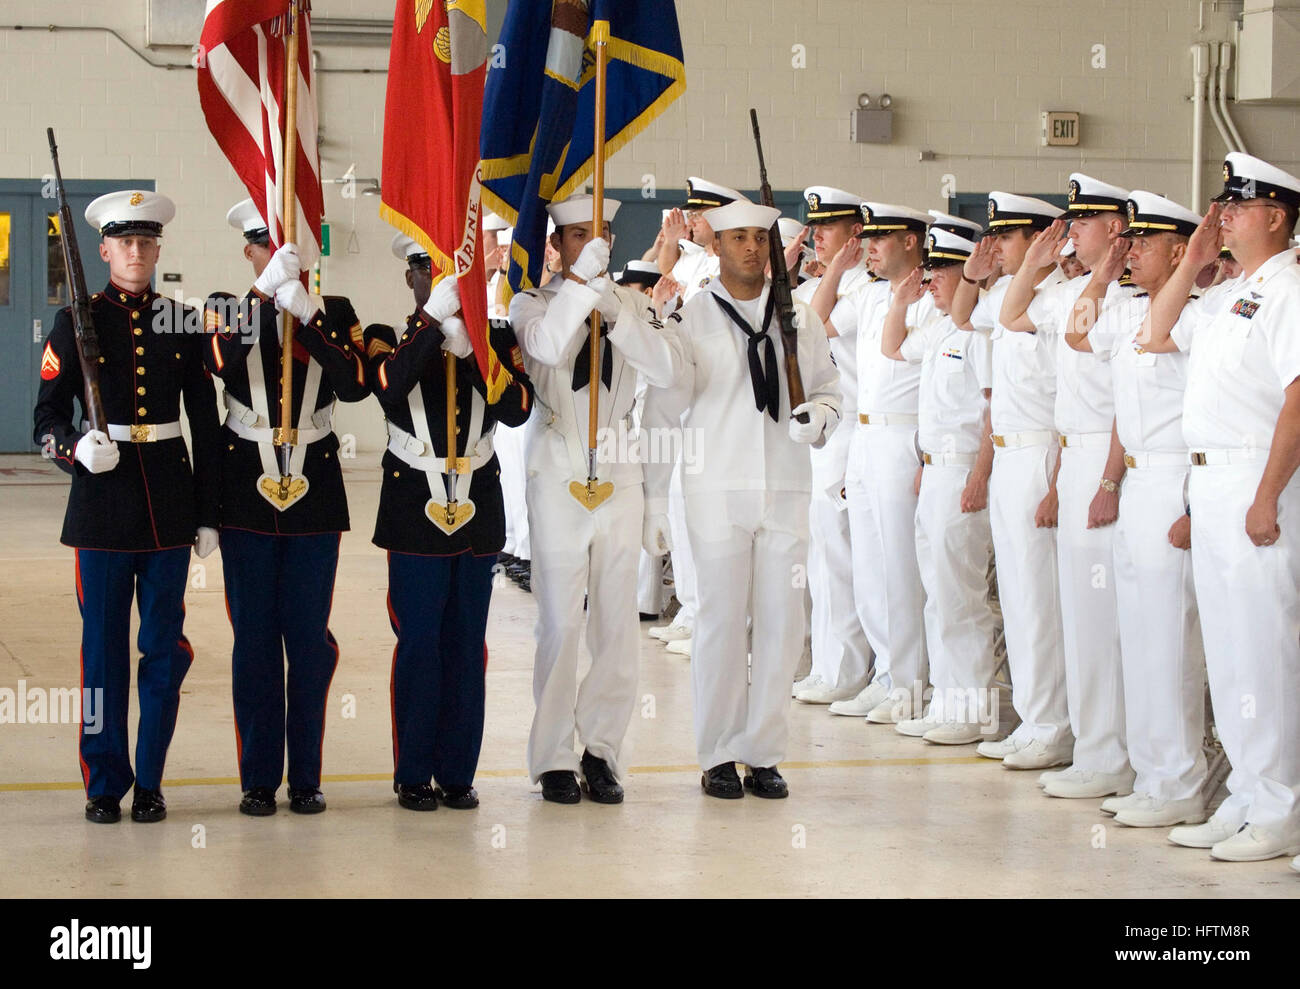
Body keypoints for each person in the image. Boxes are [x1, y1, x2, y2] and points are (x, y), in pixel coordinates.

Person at [642, 197, 841, 799]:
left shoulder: (800, 317)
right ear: (718, 247)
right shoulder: (691, 318)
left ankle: (765, 752)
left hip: (784, 485)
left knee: (783, 624)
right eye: (739, 239)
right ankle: (719, 753)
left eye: (760, 237)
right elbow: (662, 412)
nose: (752, 247)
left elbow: (830, 388)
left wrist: (822, 418)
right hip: (716, 487)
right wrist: (653, 502)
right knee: (721, 624)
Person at [34, 189, 220, 824]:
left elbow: (204, 418)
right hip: (102, 509)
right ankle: (104, 781)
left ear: (157, 249)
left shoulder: (182, 320)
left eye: (147, 242)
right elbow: (46, 418)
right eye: (124, 243)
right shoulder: (75, 321)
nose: (136, 252)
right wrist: (74, 448)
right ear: (105, 250)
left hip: (167, 502)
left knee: (162, 650)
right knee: (103, 652)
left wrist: (207, 511)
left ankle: (151, 780)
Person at [1137, 152, 1300, 864]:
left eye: (1238, 206)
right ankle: (1247, 794)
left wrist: (1266, 495)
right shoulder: (1230, 294)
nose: (1224, 215)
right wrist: (1196, 255)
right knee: (1232, 656)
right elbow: (1156, 330)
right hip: (1212, 483)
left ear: (1276, 215)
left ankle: (1281, 805)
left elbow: (1299, 395)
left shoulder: (1290, 289)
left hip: (1260, 480)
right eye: (1222, 205)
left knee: (1267, 653)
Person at [510, 194, 680, 804]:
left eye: (599, 232)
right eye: (576, 233)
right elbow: (549, 349)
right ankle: (554, 755)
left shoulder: (631, 303)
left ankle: (603, 750)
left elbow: (666, 373)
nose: (591, 242)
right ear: (556, 244)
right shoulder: (530, 302)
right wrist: (581, 289)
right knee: (560, 620)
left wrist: (621, 313)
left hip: (620, 465)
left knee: (617, 622)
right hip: (557, 467)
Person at [203, 199, 370, 816]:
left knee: (307, 642)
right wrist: (262, 296)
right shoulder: (226, 305)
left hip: (314, 494)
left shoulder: (337, 310)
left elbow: (355, 383)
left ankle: (305, 777)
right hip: (246, 490)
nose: (274, 255)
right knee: (252, 642)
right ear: (249, 253)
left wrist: (310, 314)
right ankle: (256, 779)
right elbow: (216, 362)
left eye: (284, 248)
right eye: (260, 247)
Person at [364, 234, 534, 812]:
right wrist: (434, 323)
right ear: (409, 278)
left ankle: (457, 771)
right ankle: (413, 771)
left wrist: (476, 355)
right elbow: (387, 392)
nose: (433, 280)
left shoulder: (497, 337)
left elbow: (518, 410)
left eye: (445, 272)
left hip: (478, 508)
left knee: (466, 645)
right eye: (423, 270)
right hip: (414, 506)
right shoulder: (387, 337)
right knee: (419, 644)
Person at [1061, 190, 1208, 826]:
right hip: (1139, 482)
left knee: (1171, 642)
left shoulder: (1190, 315)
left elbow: (1195, 401)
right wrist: (1111, 481)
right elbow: (1079, 333)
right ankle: (1151, 773)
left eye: (1145, 242)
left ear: (1182, 251)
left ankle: (1178, 782)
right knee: (1142, 638)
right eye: (1132, 239)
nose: (1133, 250)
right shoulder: (1129, 310)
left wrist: (1192, 505)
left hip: (1176, 479)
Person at [998, 174, 1137, 797]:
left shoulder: (1122, 294)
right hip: (1071, 457)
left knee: (1101, 620)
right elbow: (1011, 312)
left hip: (1110, 462)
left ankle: (1109, 751)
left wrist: (1105, 476)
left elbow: (1120, 404)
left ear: (1116, 230)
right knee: (1080, 618)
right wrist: (1033, 261)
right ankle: (1089, 744)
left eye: (1083, 222)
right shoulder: (1069, 292)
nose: (1070, 230)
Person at [950, 192, 1073, 771]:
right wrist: (974, 276)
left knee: (1039, 599)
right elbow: (961, 315)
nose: (996, 245)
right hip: (1006, 457)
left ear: (1045, 240)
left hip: (1041, 453)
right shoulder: (1004, 294)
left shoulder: (1055, 300)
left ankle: (1053, 724)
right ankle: (1032, 716)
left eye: (1009, 237)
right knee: (1020, 598)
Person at [879, 228, 998, 744]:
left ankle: (972, 710)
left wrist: (980, 475)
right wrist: (901, 303)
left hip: (965, 469)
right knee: (938, 595)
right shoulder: (943, 329)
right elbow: (893, 349)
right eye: (928, 273)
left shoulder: (979, 332)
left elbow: (995, 408)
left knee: (961, 595)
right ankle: (949, 699)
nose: (930, 283)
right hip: (936, 469)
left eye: (941, 273)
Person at [819, 202, 935, 725]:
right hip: (864, 436)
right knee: (869, 567)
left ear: (911, 241)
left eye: (882, 238)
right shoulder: (867, 293)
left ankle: (909, 683)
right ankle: (885, 673)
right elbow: (816, 322)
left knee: (899, 568)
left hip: (901, 435)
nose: (871, 246)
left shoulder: (932, 295)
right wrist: (837, 270)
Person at [787, 186, 874, 707]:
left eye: (828, 229)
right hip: (826, 435)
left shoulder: (861, 285)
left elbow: (814, 328)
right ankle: (825, 664)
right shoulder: (827, 284)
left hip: (854, 434)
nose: (818, 237)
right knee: (821, 559)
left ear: (854, 236)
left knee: (842, 559)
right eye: (815, 229)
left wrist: (837, 271)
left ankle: (846, 667)